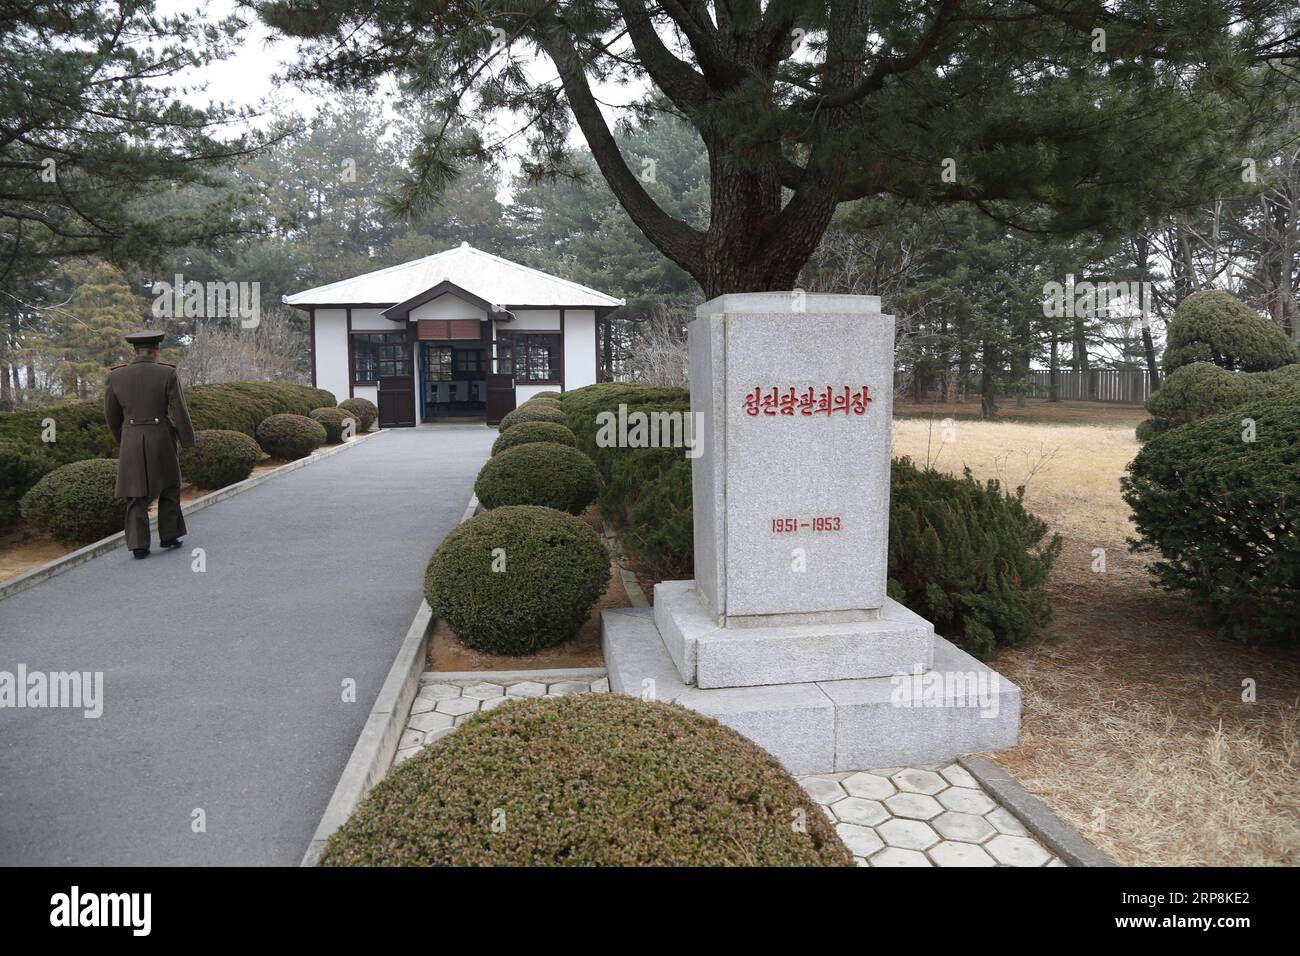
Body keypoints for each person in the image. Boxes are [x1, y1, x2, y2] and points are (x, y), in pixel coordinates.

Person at [104, 331, 197, 558]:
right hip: (161, 437)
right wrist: (187, 440)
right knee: (169, 487)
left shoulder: (115, 377)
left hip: (131, 438)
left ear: (134, 352)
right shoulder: (167, 373)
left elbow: (111, 416)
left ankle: (138, 545)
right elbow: (179, 411)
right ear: (156, 351)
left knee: (135, 493)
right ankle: (169, 535)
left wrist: (122, 439)